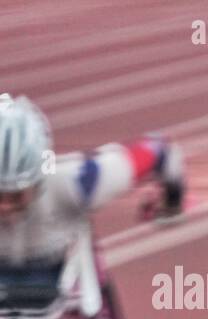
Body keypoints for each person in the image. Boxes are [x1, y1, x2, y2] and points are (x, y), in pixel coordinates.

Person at [0, 92, 184, 262]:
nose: (5, 206)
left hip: (71, 293)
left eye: (16, 195)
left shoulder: (75, 183)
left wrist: (172, 200)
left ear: (40, 179)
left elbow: (159, 150)